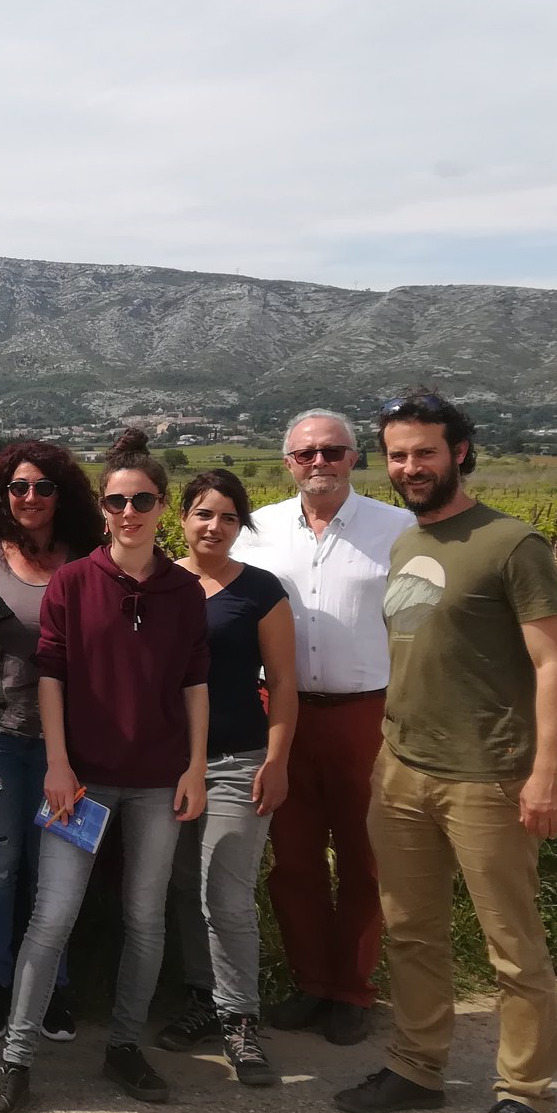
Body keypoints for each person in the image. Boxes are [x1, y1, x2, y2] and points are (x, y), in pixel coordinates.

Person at [335, 390, 557, 1113]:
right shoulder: (408, 543)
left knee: (512, 944)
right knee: (410, 930)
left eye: (425, 452)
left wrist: (546, 773)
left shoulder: (511, 544)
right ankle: (418, 1063)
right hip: (402, 769)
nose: (410, 467)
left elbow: (553, 663)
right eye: (399, 455)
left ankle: (524, 1097)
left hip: (489, 777)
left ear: (460, 452)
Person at [0, 429, 209, 1113]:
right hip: (81, 784)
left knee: (145, 919)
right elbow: (52, 678)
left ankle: (126, 1046)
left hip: (158, 781)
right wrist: (57, 762)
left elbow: (196, 682)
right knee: (52, 916)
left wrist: (196, 765)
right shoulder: (75, 583)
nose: (129, 512)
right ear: (103, 508)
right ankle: (15, 1058)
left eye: (142, 500)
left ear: (162, 507)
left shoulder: (182, 592)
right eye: (117, 501)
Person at [233, 410, 411, 1044]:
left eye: (333, 452)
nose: (320, 463)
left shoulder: (398, 529)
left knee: (366, 859)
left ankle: (354, 989)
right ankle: (311, 982)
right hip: (279, 716)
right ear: (288, 462)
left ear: (354, 458)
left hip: (366, 713)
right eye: (307, 453)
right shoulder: (257, 531)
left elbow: (417, 627)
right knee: (294, 858)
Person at [0, 442, 105, 1046]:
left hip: (72, 743)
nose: (28, 498)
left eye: (42, 487)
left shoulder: (94, 559)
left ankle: (50, 984)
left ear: (62, 494)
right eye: (17, 487)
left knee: (59, 870)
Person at [157, 469, 296, 1087]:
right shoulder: (157, 583)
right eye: (204, 514)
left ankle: (239, 1017)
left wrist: (278, 758)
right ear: (182, 518)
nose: (215, 527)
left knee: (229, 894)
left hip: (238, 759)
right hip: (165, 763)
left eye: (229, 517)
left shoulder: (261, 591)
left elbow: (284, 684)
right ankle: (200, 997)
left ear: (243, 526)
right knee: (186, 886)